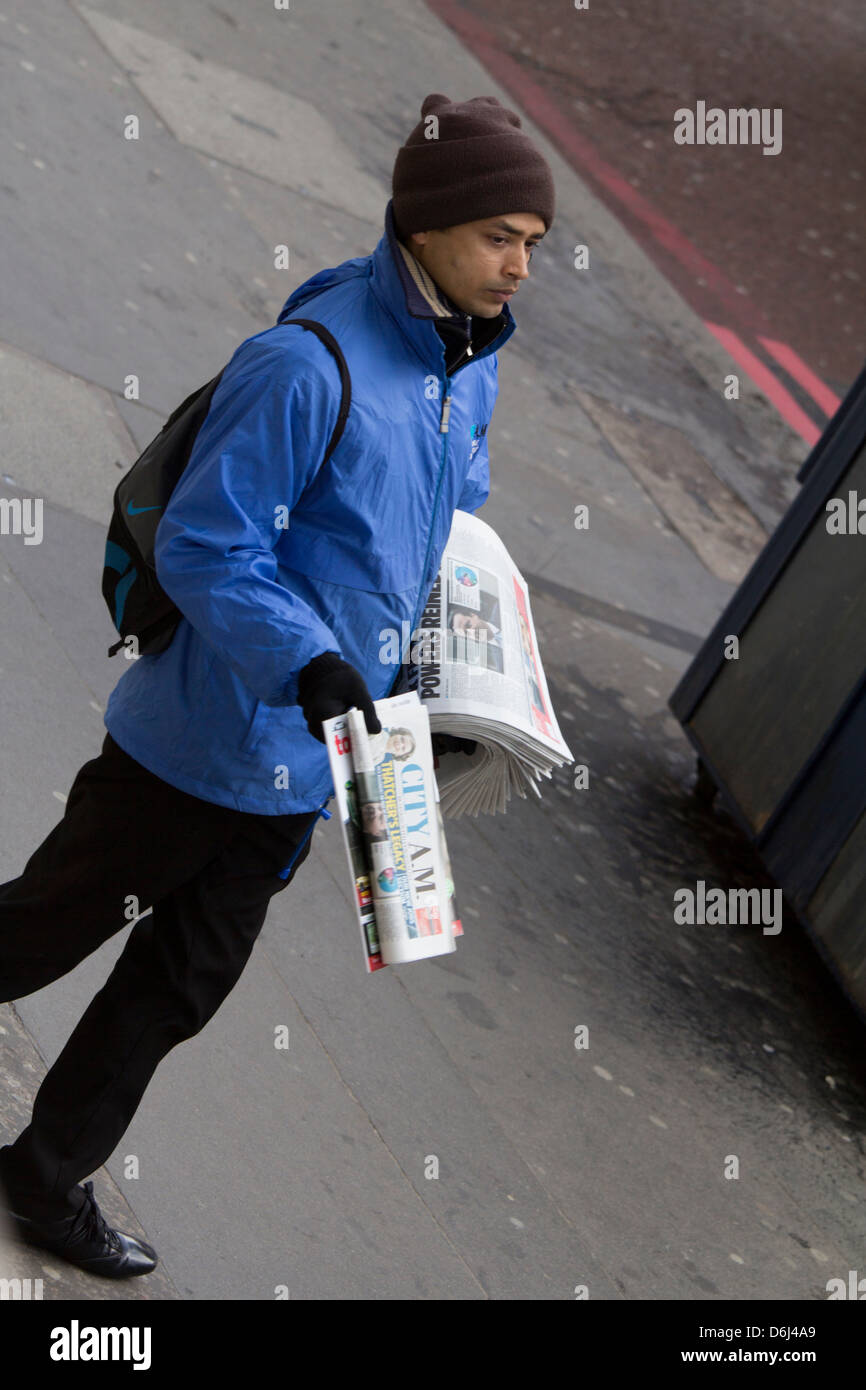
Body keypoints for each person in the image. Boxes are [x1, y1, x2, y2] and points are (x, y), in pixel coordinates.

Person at [0, 91, 554, 1278]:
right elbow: (207, 543)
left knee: (176, 988)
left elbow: (446, 517)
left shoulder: (470, 370)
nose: (519, 267)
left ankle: (41, 1179)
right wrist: (307, 659)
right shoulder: (307, 366)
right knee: (39, 931)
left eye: (532, 244)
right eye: (499, 235)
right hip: (195, 741)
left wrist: (451, 674)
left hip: (317, 760)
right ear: (426, 222)